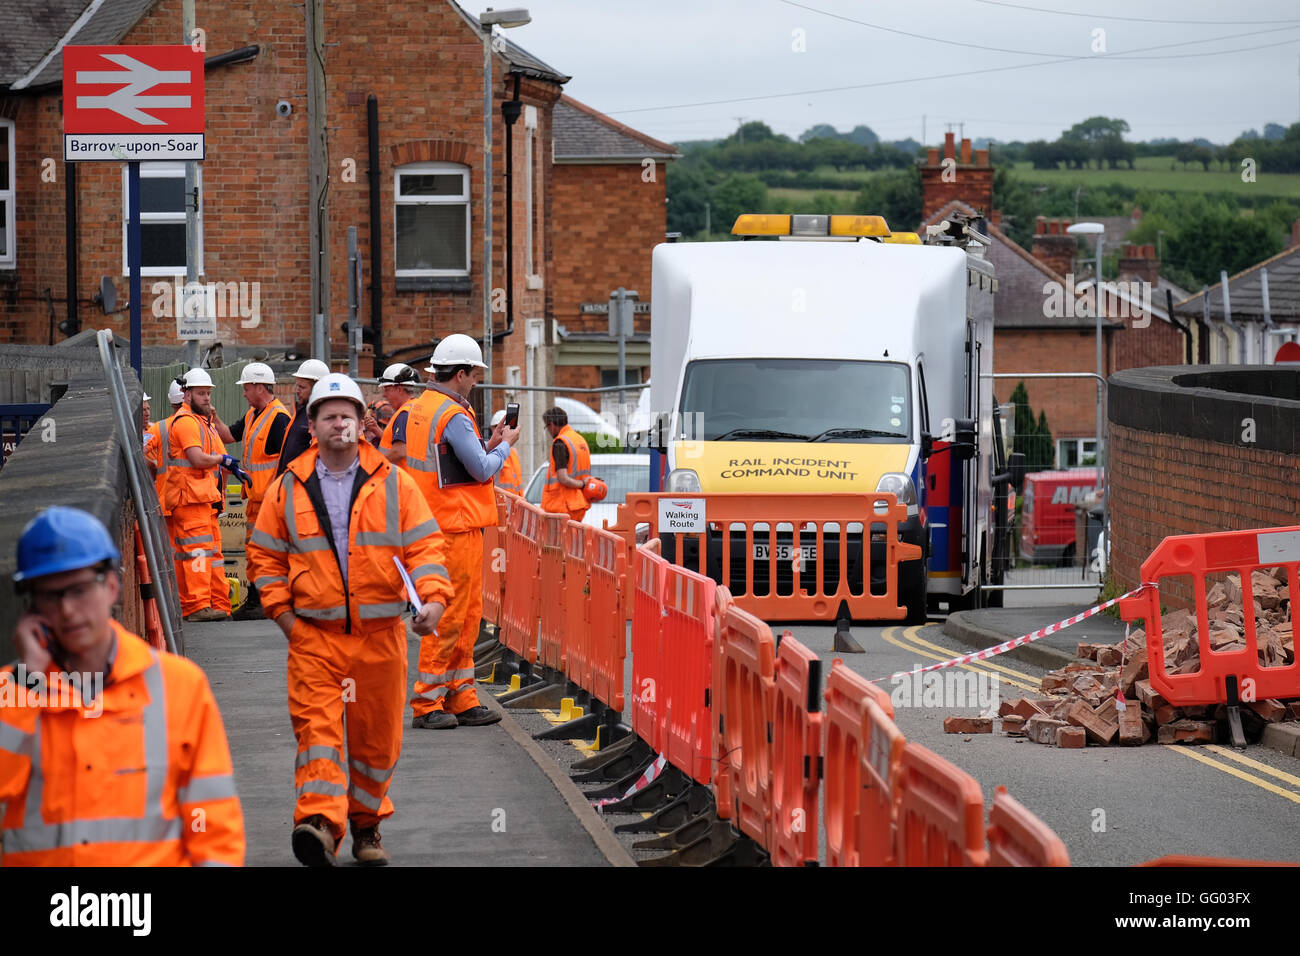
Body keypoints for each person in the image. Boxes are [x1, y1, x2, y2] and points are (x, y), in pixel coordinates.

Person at [247, 373, 453, 867]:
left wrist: (434, 602)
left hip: (380, 640)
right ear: (312, 426)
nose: (338, 423)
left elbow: (426, 549)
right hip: (313, 639)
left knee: (375, 743)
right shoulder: (286, 489)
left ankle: (365, 827)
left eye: (347, 415)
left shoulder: (396, 484)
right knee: (317, 733)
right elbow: (264, 559)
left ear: (362, 424)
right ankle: (319, 822)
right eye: (328, 415)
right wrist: (287, 622)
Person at [1, 507, 245, 866]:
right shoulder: (14, 693)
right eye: (51, 596)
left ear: (112, 585)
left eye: (80, 589)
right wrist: (28, 683)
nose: (68, 610)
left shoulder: (180, 686)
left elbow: (214, 827)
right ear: (32, 606)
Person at [404, 334, 519, 729]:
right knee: (452, 616)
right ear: (461, 373)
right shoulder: (452, 414)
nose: (476, 382)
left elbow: (452, 465)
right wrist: (505, 446)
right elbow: (483, 469)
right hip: (453, 528)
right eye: (474, 374)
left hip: (439, 524)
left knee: (467, 615)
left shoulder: (424, 407)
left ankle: (460, 695)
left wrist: (487, 443)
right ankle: (428, 702)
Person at [166, 369, 250, 622]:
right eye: (201, 394)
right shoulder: (186, 422)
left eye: (208, 393)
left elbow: (218, 457)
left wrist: (229, 466)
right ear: (187, 394)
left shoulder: (205, 424)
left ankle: (218, 603)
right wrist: (221, 459)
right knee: (198, 554)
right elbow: (197, 458)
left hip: (205, 502)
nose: (206, 398)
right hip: (190, 501)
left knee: (212, 556)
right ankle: (197, 606)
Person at [210, 362, 292, 621]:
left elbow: (288, 463)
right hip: (256, 500)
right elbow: (227, 436)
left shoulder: (279, 418)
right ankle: (258, 600)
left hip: (270, 500)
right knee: (256, 551)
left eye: (246, 388)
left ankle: (264, 601)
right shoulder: (252, 415)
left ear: (258, 387)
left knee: (266, 551)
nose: (243, 393)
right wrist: (212, 417)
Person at [276, 358, 331, 476]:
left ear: (317, 388)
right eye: (297, 386)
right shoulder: (302, 412)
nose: (297, 391)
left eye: (302, 387)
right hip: (289, 485)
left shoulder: (325, 418)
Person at [541, 406, 591, 523]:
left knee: (556, 541)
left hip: (561, 506)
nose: (548, 430)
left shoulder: (560, 442)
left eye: (547, 427)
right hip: (578, 504)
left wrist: (582, 484)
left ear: (552, 425)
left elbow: (563, 478)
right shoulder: (579, 440)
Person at [374, 363, 421, 471]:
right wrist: (377, 430)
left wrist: (374, 467)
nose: (384, 395)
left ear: (399, 389)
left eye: (387, 389)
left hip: (400, 477)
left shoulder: (403, 414)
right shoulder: (416, 407)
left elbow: (399, 451)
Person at [490, 408, 524, 496]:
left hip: (513, 505)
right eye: (501, 426)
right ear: (492, 429)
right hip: (498, 504)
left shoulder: (513, 452)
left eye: (508, 426)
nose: (505, 429)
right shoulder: (489, 451)